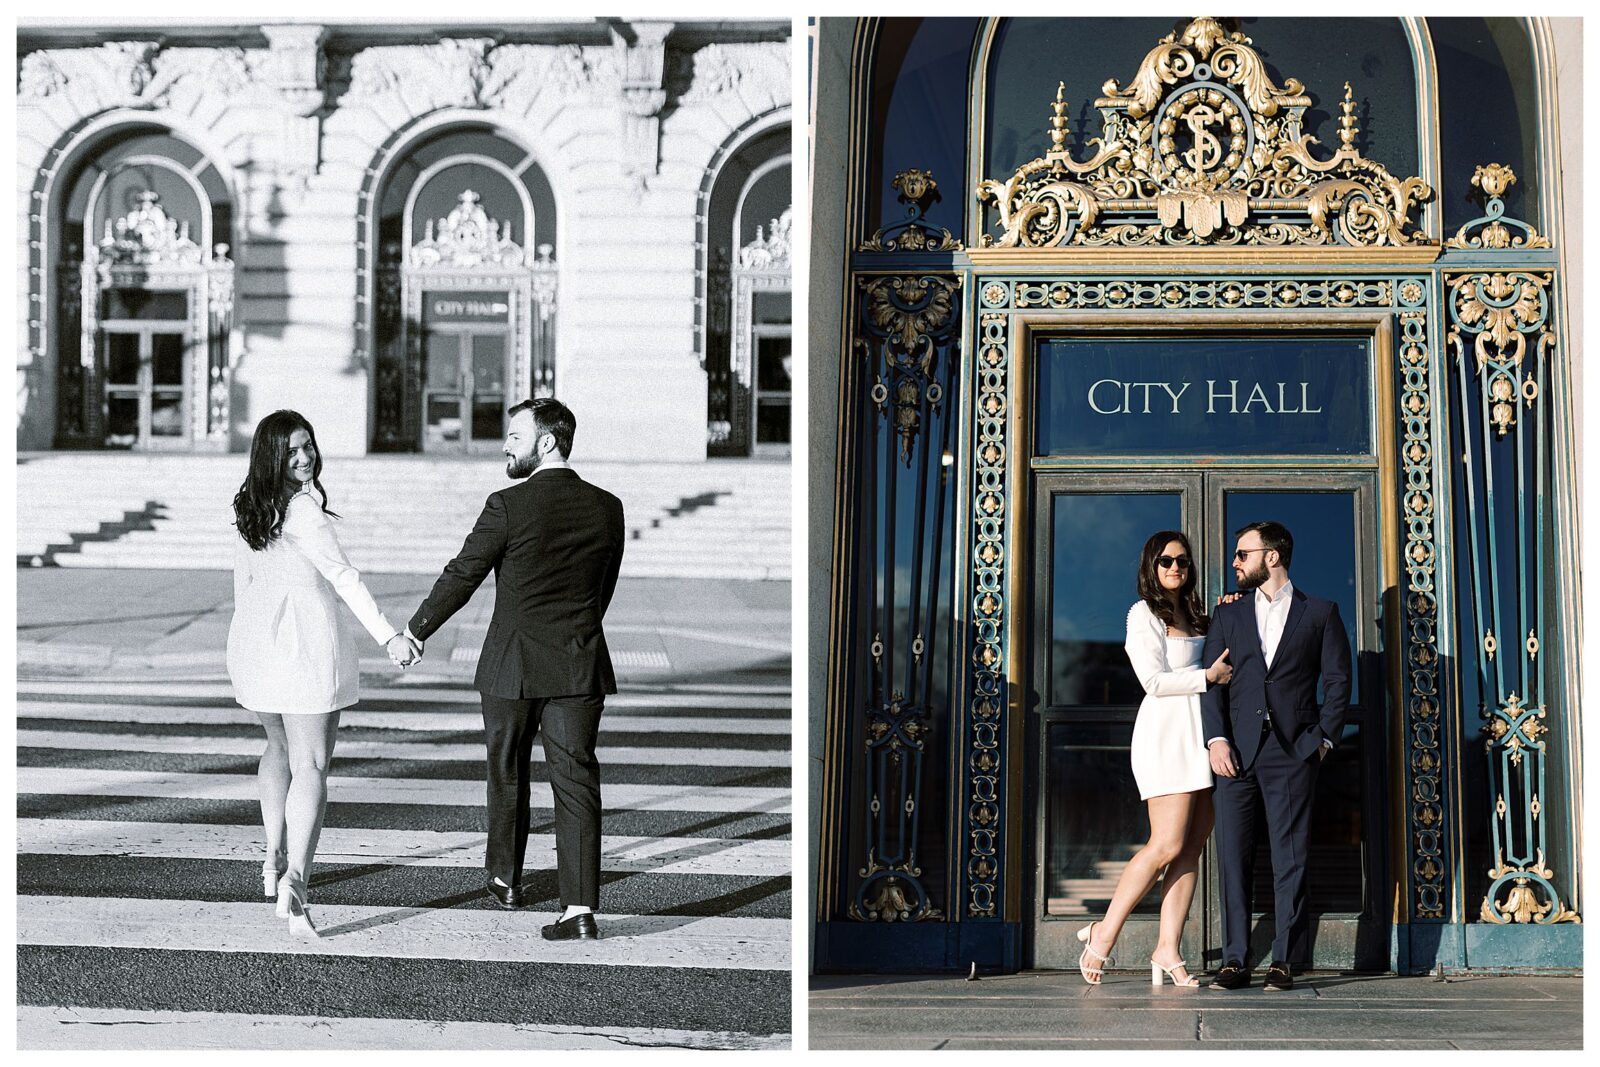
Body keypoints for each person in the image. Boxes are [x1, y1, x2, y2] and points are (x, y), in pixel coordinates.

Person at [397, 398, 624, 940]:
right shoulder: (608, 507)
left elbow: (463, 574)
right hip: (577, 661)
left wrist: (416, 630)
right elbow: (602, 590)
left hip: (512, 665)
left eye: (515, 435)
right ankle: (580, 909)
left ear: (546, 442)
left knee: (507, 771)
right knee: (576, 781)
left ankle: (505, 877)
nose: (506, 445)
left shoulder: (507, 505)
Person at [227, 410, 416, 939]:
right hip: (304, 644)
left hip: (256, 643)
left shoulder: (250, 507)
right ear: (273, 458)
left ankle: (271, 857)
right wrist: (389, 636)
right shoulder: (305, 509)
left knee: (278, 749)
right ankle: (297, 881)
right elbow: (344, 578)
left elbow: (242, 584)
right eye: (291, 452)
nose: (304, 458)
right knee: (311, 763)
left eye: (307, 446)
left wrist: (241, 645)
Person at [1075, 531, 1232, 987]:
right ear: (1151, 565)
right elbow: (1153, 681)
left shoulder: (1199, 613)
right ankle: (1103, 935)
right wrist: (1207, 674)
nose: (1175, 568)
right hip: (1166, 732)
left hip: (1201, 731)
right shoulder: (1142, 614)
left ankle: (1167, 948)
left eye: (1183, 561)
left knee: (1192, 846)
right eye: (1166, 561)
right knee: (1164, 843)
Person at [1201, 521, 1351, 991]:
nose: (1234, 562)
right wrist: (1216, 739)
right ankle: (1234, 959)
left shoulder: (1321, 612)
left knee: (1291, 858)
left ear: (1272, 556)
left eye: (1242, 553)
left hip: (1293, 751)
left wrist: (1324, 738)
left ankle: (1284, 959)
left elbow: (1338, 680)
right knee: (1233, 857)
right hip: (1236, 754)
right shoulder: (1227, 615)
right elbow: (1211, 684)